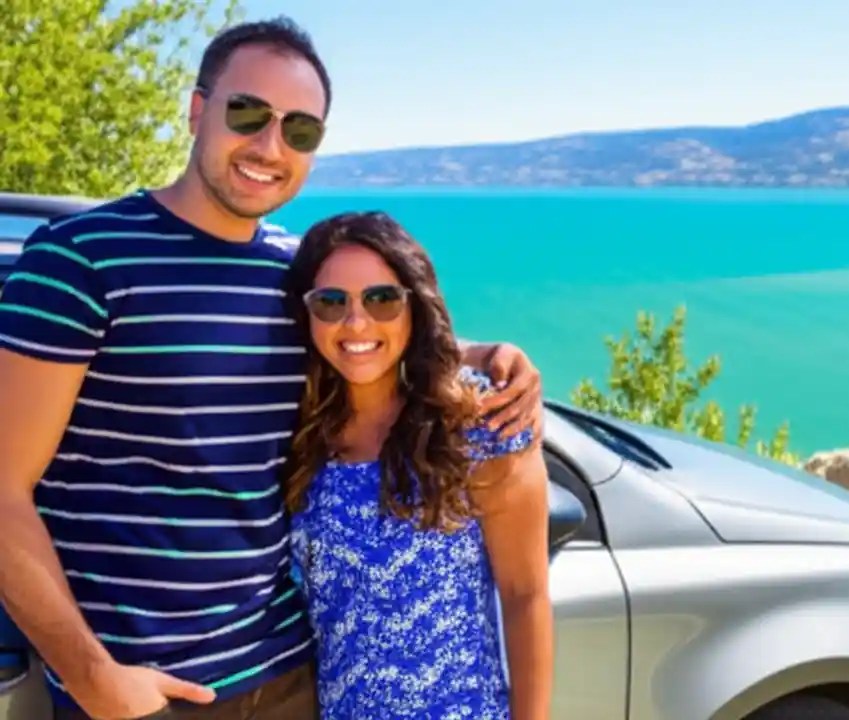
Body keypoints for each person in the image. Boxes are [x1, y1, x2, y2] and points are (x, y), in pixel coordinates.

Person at [0, 16, 544, 720]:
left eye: (300, 129)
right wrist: (93, 675)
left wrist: (486, 357)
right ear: (198, 111)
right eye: (247, 113)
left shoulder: (295, 273)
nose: (269, 145)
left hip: (293, 673)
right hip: (147, 691)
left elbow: (369, 336)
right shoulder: (82, 259)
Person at [282, 211, 553, 719]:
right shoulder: (299, 432)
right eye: (331, 302)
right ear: (309, 314)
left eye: (381, 299)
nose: (356, 322)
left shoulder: (478, 425)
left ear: (414, 306)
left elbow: (525, 595)